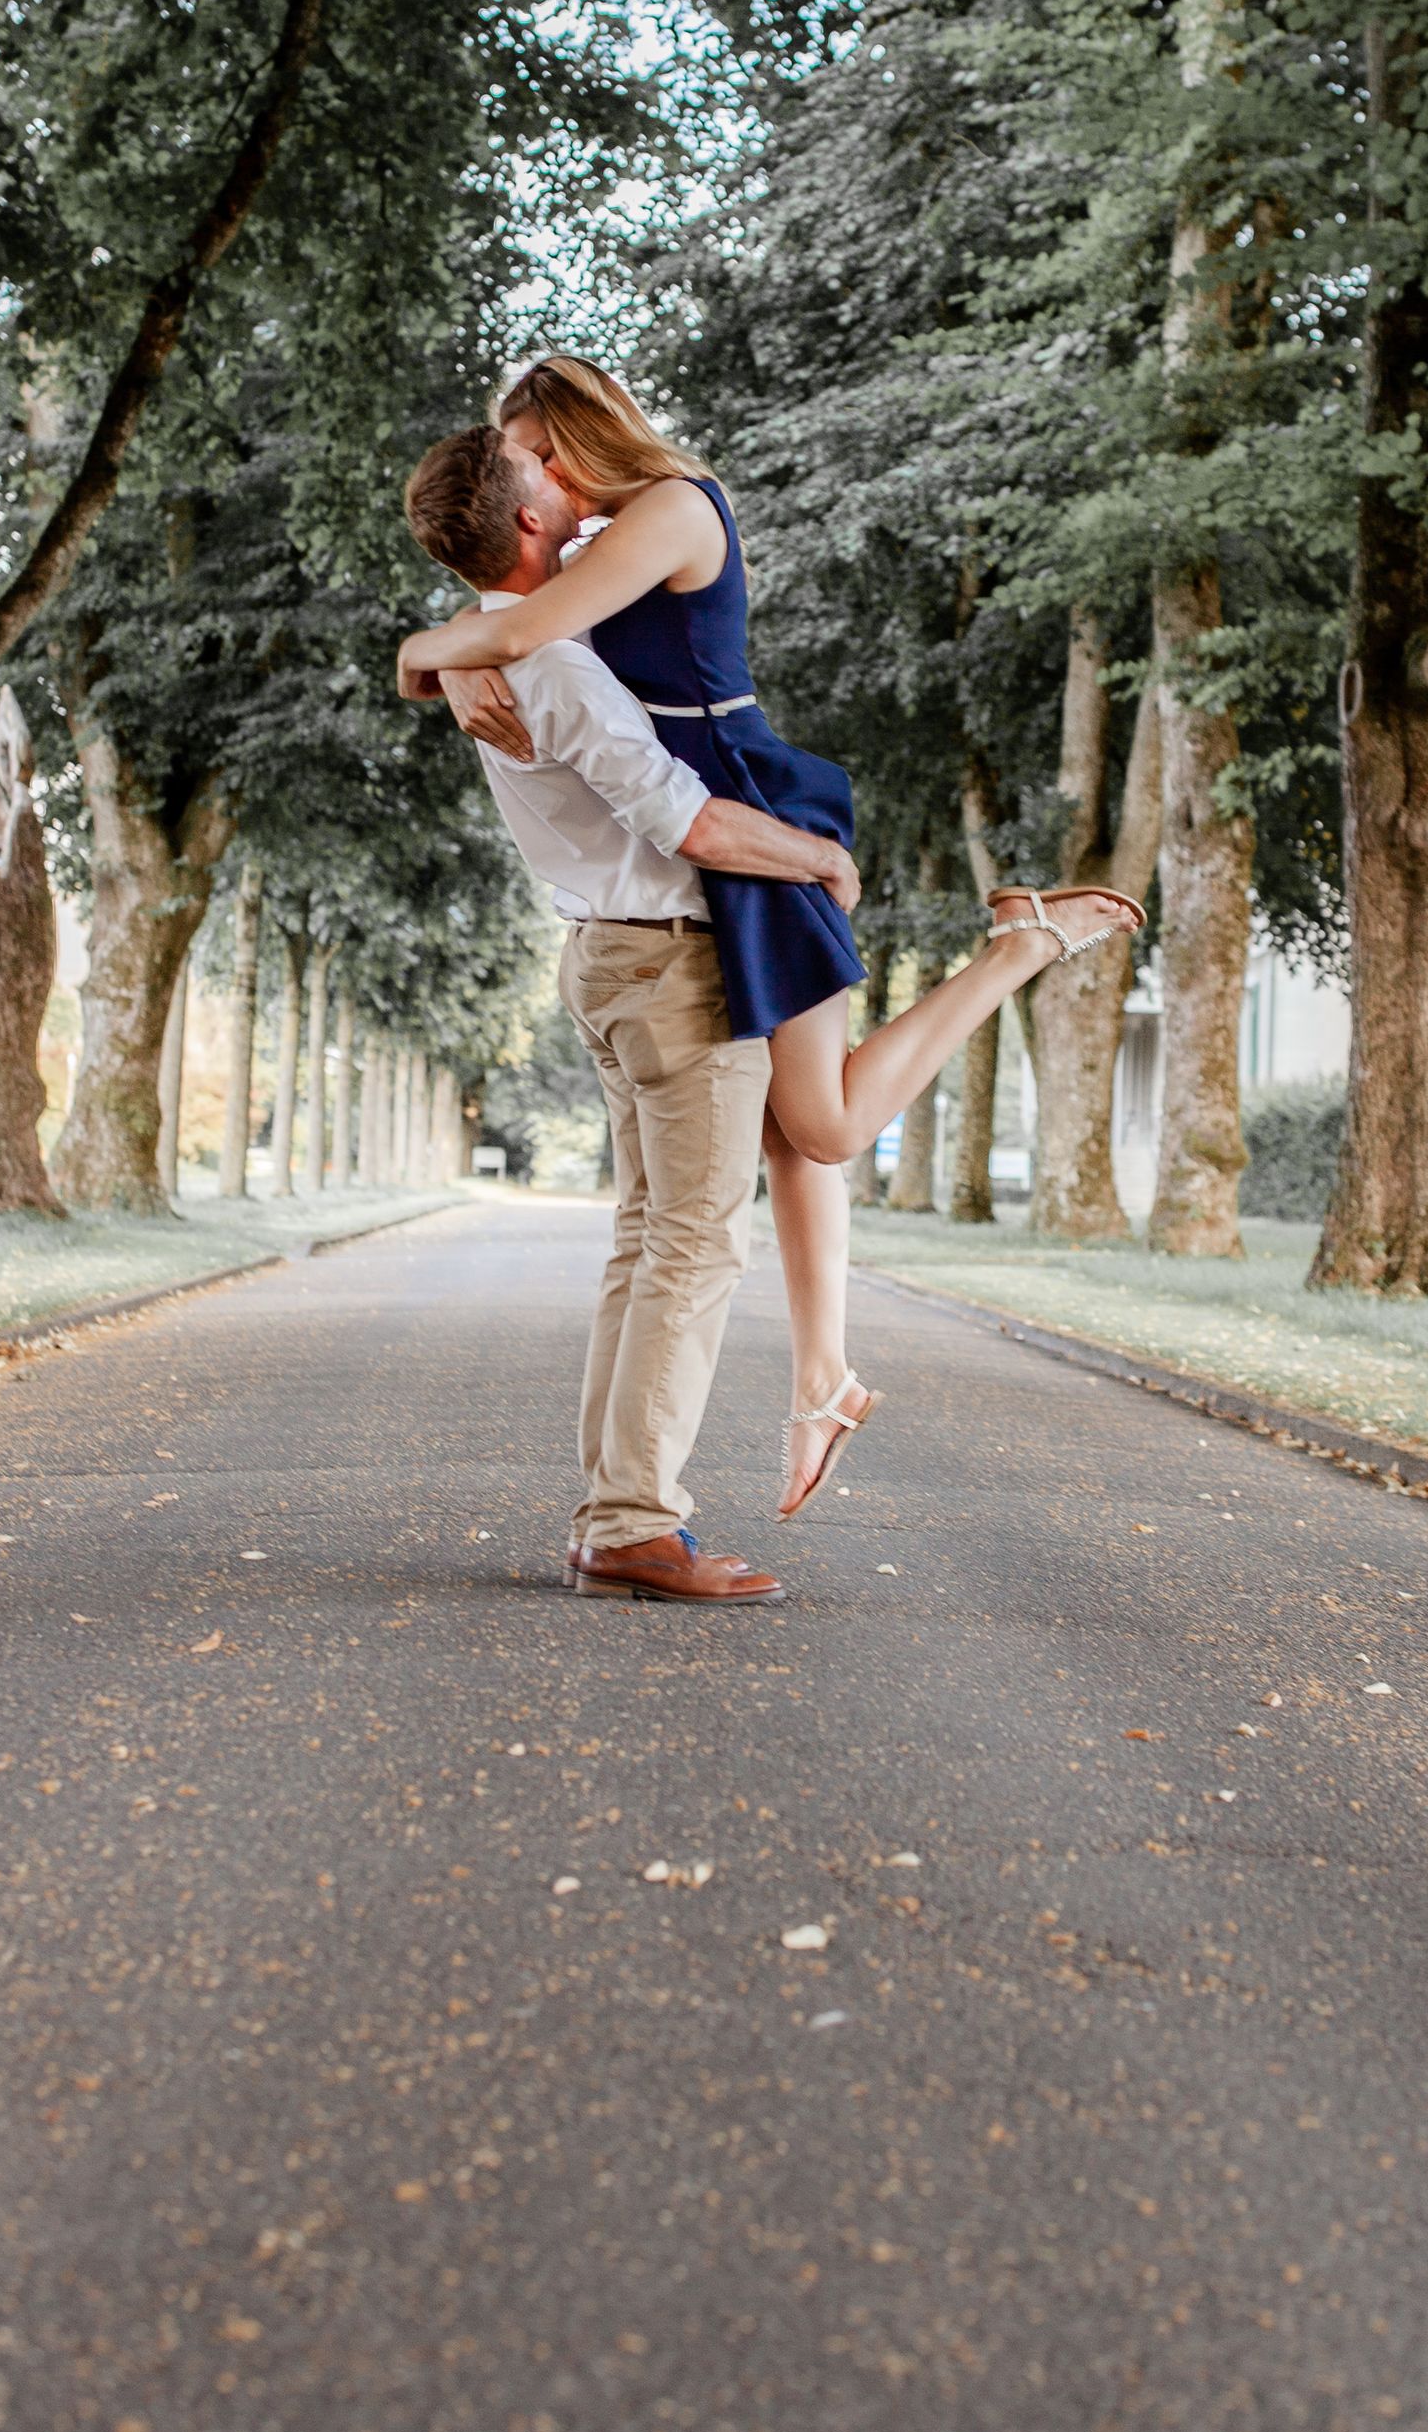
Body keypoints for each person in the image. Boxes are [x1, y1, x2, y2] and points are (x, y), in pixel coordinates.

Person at [399, 362, 1142, 1515]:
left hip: (746, 808)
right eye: (524, 464)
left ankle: (1017, 951)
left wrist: (427, 657)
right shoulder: (589, 533)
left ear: (586, 437)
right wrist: (451, 657)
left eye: (542, 453)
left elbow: (528, 624)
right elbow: (512, 608)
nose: (539, 479)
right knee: (798, 1129)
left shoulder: (670, 507)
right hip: (702, 833)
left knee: (821, 1127)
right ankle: (820, 1379)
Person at [400, 422, 866, 1604]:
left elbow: (480, 629)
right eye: (543, 482)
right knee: (693, 1243)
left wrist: (439, 648)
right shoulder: (549, 664)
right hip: (669, 963)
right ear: (523, 522)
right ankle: (632, 1525)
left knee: (644, 1242)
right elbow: (687, 821)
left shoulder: (499, 649)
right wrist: (815, 856)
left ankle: (615, 1512)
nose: (566, 492)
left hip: (606, 959)